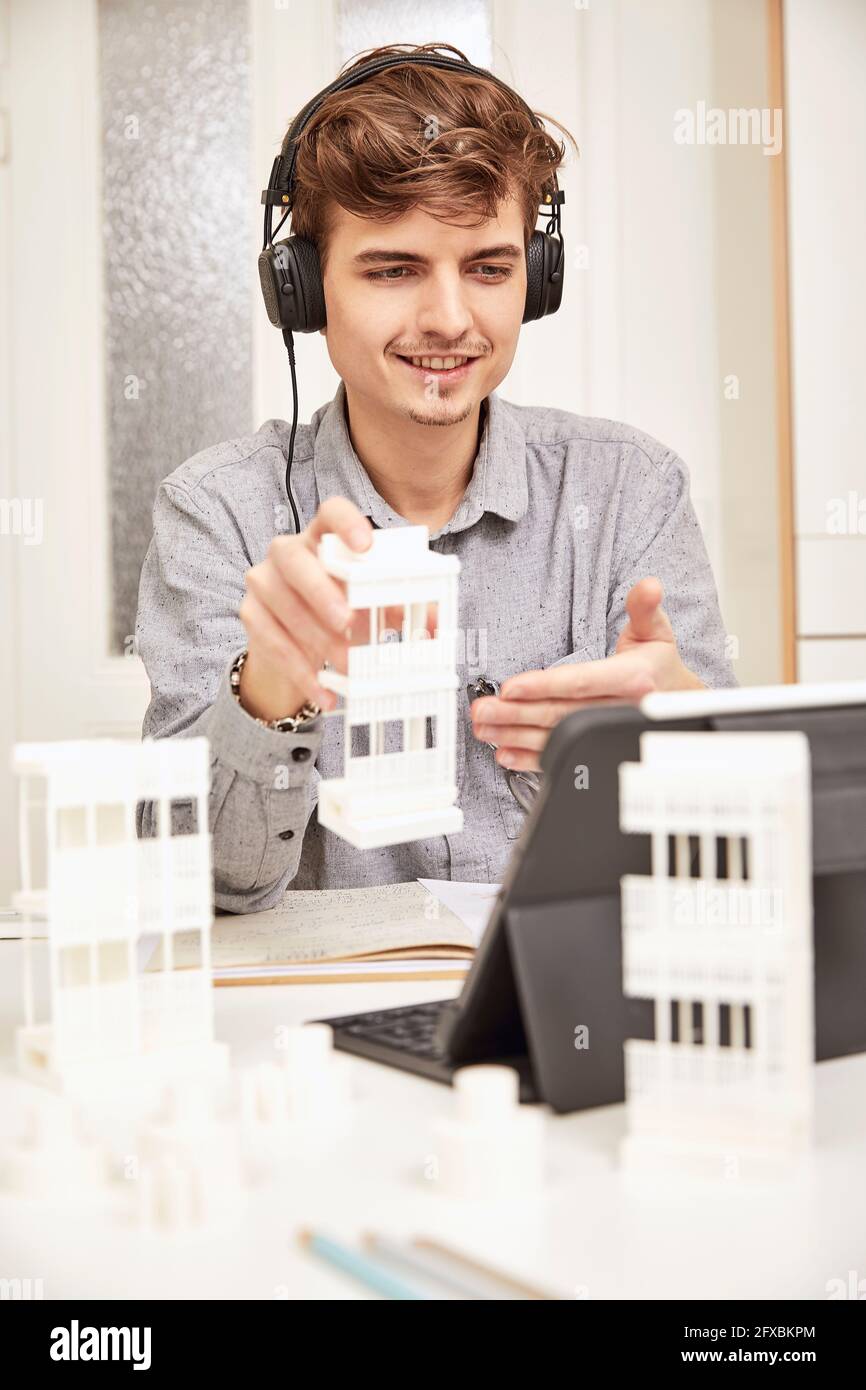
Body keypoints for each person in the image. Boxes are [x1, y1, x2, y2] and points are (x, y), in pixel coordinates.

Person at [135, 42, 736, 912]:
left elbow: (722, 860)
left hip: (555, 1006)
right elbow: (206, 886)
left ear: (537, 280)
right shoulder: (217, 509)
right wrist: (269, 693)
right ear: (302, 289)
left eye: (489, 268)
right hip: (314, 1022)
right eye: (393, 269)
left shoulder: (631, 491)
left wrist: (687, 740)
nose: (450, 320)